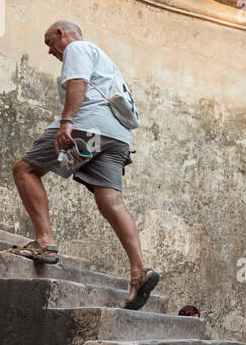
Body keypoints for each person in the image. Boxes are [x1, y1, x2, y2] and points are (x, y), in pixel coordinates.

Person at [9, 20, 160, 309]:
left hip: (88, 126)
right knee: (110, 200)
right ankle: (139, 271)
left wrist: (67, 122)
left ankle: (45, 242)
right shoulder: (105, 61)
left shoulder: (77, 47)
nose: (50, 50)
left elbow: (79, 83)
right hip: (117, 137)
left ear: (61, 34)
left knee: (25, 169)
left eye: (49, 43)